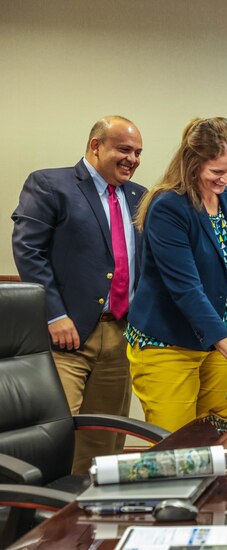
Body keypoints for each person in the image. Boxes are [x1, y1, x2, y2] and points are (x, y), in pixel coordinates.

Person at [11, 115, 145, 474]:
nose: (132, 159)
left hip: (119, 335)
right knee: (55, 434)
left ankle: (89, 516)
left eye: (137, 152)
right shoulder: (51, 184)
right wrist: (55, 314)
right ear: (96, 145)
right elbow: (28, 251)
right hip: (65, 337)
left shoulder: (139, 197)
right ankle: (42, 517)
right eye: (124, 149)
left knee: (106, 436)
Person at [125, 117, 227, 433]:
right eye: (216, 172)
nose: (226, 179)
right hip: (167, 344)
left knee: (215, 437)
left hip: (215, 342)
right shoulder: (169, 207)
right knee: (178, 448)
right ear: (192, 164)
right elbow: (187, 290)